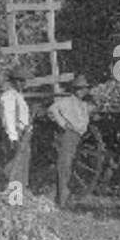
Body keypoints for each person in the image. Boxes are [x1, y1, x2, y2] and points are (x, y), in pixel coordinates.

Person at [49, 74, 93, 209]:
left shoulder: (83, 104)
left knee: (72, 166)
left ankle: (67, 199)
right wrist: (62, 123)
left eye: (85, 89)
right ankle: (61, 202)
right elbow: (52, 109)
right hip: (68, 135)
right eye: (81, 89)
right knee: (65, 166)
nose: (83, 91)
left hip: (77, 137)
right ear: (76, 90)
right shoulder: (67, 101)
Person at [1, 67, 32, 195]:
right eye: (21, 81)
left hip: (24, 133)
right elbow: (8, 117)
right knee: (16, 164)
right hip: (17, 134)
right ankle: (13, 195)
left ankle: (21, 191)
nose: (23, 83)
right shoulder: (8, 96)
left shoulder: (19, 96)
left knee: (23, 162)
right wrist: (13, 137)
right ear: (14, 81)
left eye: (24, 81)